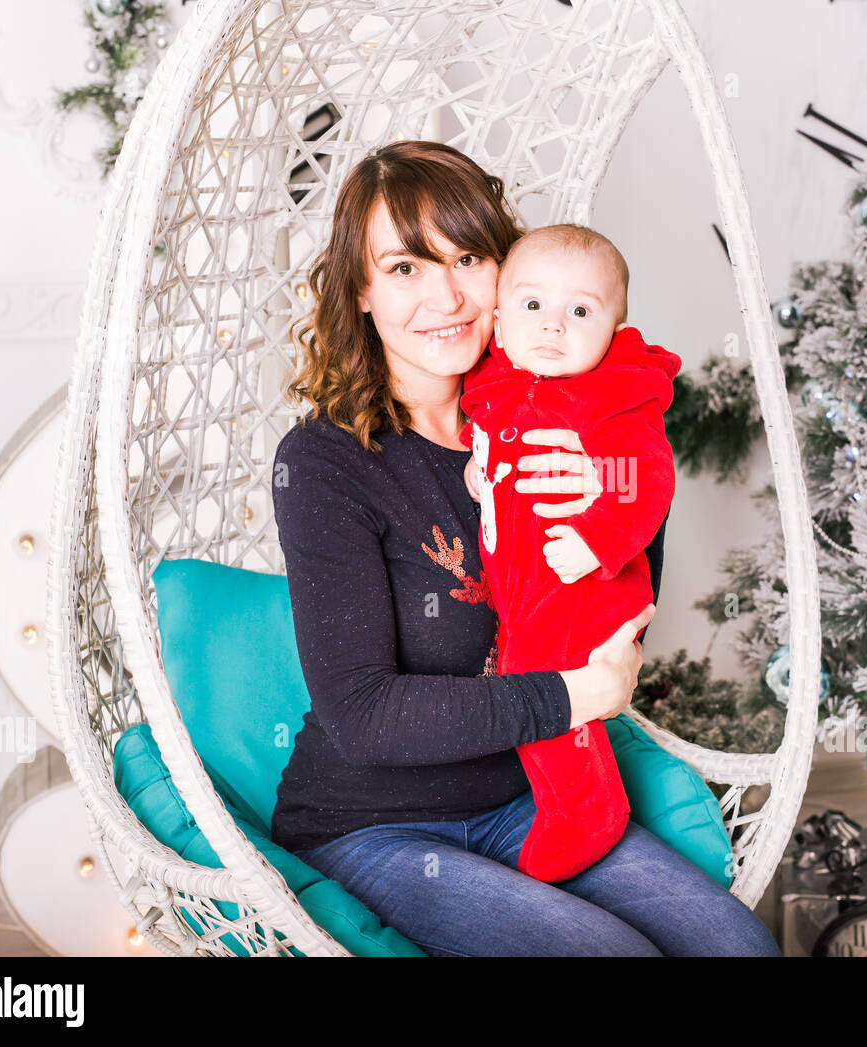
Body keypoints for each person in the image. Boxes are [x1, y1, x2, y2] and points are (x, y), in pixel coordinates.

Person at [271, 139, 781, 956]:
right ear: (361, 290)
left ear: (505, 274)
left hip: (531, 797)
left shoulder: (553, 419)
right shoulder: (327, 461)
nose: (445, 294)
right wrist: (576, 696)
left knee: (741, 948)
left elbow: (624, 608)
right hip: (374, 822)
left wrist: (609, 499)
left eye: (468, 256)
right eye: (405, 267)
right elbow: (363, 715)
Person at [457, 224, 681, 883]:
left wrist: (597, 534)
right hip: (529, 587)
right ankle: (561, 803)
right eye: (533, 306)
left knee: (539, 683)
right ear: (499, 319)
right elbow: (494, 433)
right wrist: (480, 462)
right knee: (529, 682)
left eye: (580, 311)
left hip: (587, 584)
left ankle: (589, 812)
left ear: (613, 329)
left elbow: (648, 476)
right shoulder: (498, 378)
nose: (552, 325)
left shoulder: (611, 395)